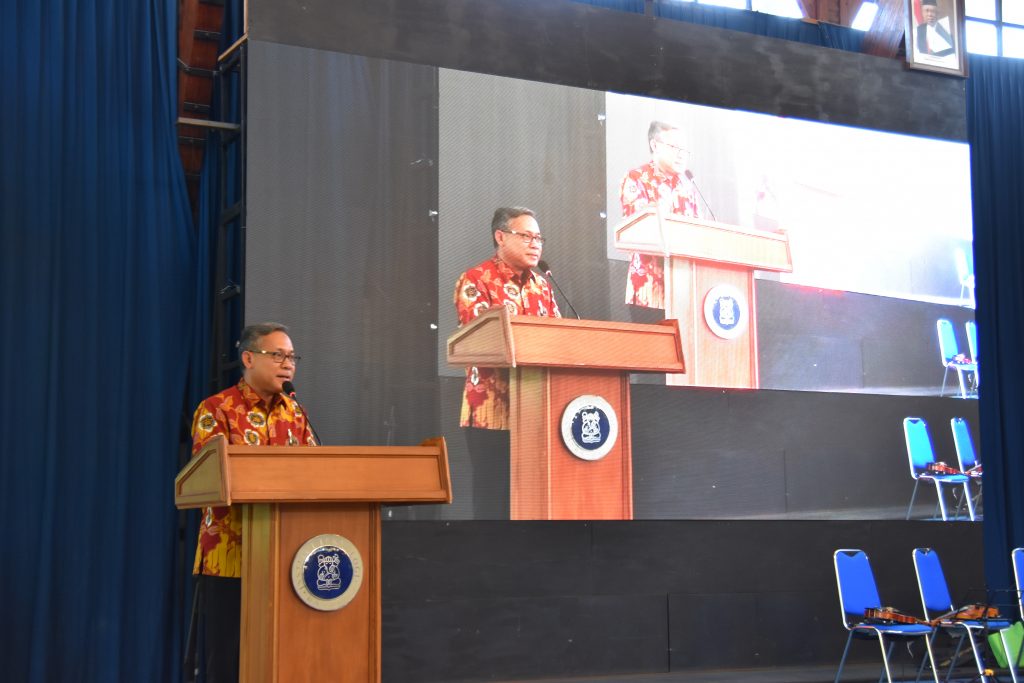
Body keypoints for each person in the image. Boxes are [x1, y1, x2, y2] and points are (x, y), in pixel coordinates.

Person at [187, 322, 315, 682]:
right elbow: (210, 478)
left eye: (292, 357)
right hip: (231, 558)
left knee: (279, 657)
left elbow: (316, 472)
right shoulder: (217, 409)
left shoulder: (295, 413)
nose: (287, 364)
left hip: (287, 556)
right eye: (277, 355)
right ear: (248, 358)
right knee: (230, 659)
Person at [453, 207, 560, 515]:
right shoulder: (476, 280)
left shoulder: (542, 285)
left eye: (538, 238)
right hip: (492, 413)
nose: (535, 244)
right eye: (526, 236)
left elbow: (559, 338)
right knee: (494, 506)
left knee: (533, 504)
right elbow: (483, 341)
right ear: (500, 237)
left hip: (537, 413)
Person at [619, 121, 706, 311]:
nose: (681, 154)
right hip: (649, 292)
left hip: (686, 293)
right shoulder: (636, 179)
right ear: (655, 145)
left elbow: (700, 234)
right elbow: (639, 231)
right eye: (675, 147)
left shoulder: (687, 186)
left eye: (684, 149)